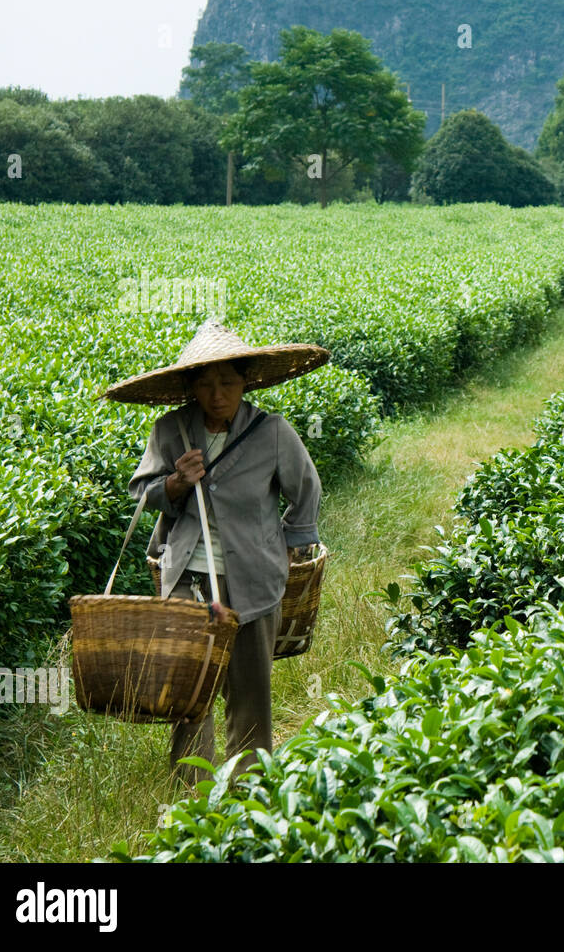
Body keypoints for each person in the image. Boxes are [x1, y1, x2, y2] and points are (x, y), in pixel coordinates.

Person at [100, 319, 330, 787]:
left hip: (253, 582)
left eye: (227, 382)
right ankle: (193, 802)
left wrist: (290, 546)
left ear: (246, 381)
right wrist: (175, 482)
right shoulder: (171, 429)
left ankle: (248, 796)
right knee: (188, 695)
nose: (217, 393)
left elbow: (305, 490)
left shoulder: (272, 432)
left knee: (250, 697)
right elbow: (143, 494)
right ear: (190, 386)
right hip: (186, 578)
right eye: (205, 383)